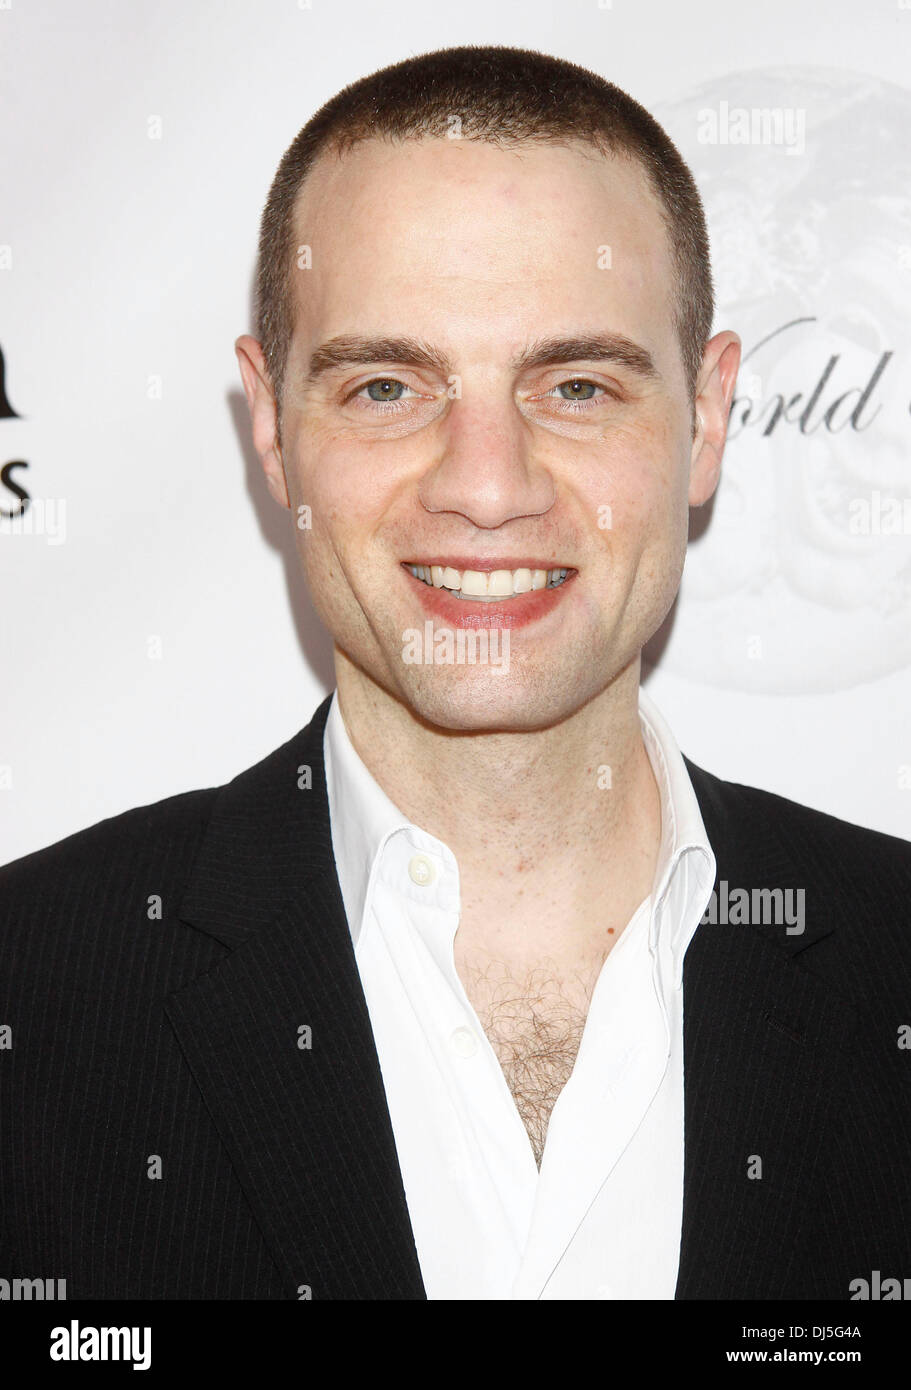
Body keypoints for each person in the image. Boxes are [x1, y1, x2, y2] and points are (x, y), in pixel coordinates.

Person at [2, 45, 909, 1302]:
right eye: (386, 385)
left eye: (577, 385)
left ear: (704, 420)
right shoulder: (33, 992)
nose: (486, 485)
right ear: (270, 427)